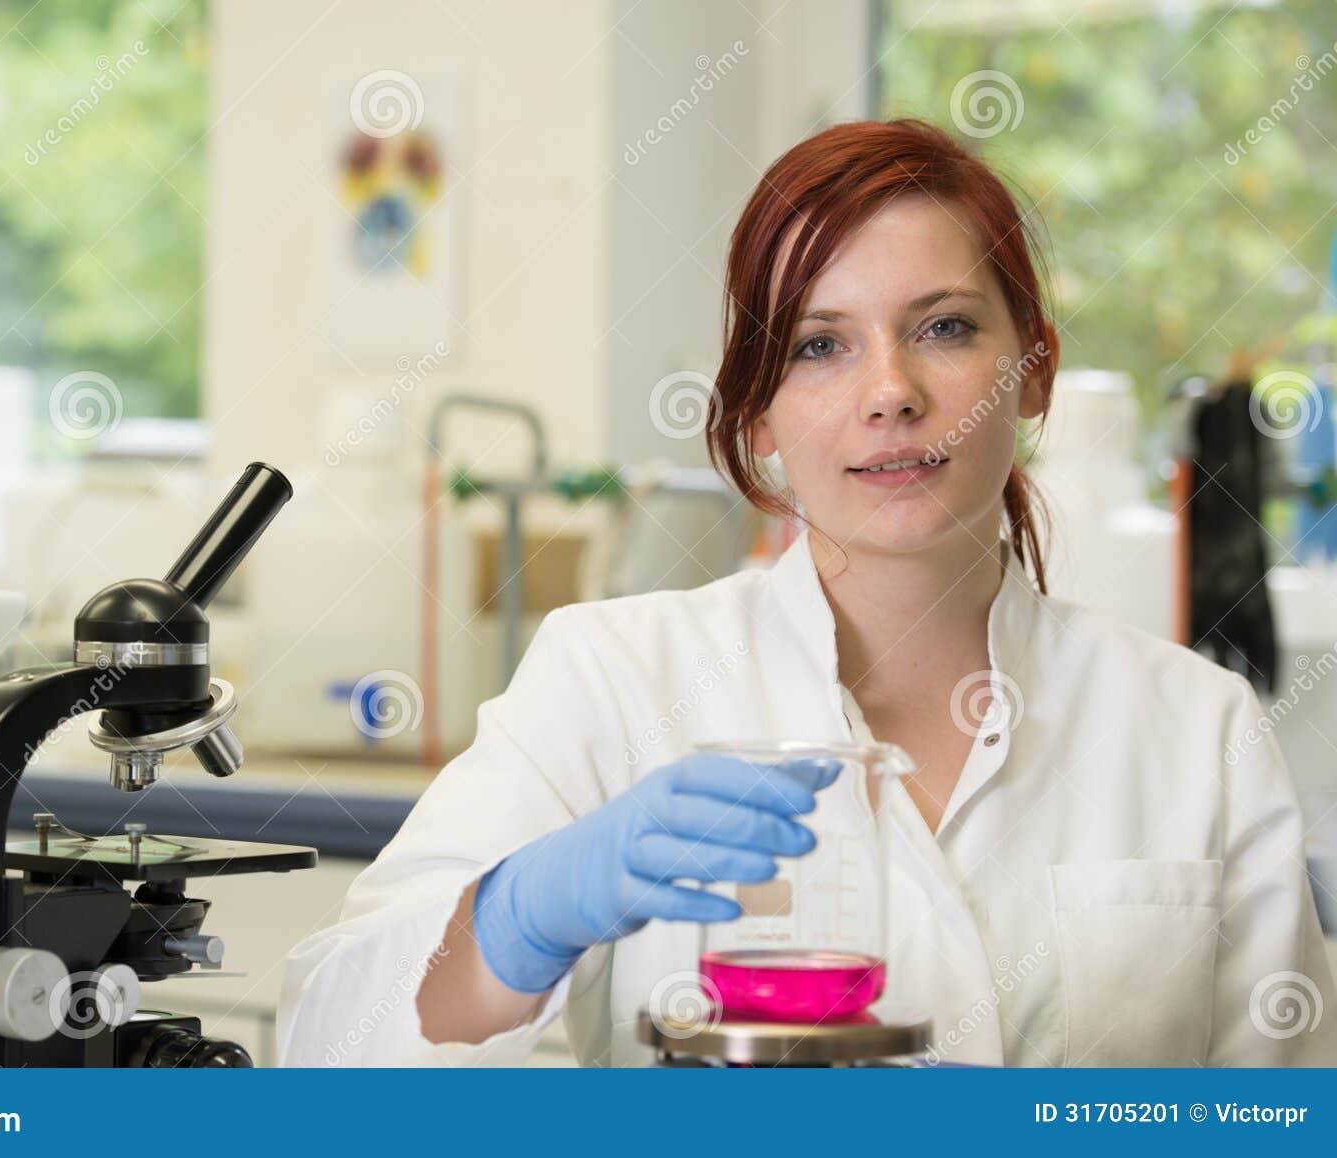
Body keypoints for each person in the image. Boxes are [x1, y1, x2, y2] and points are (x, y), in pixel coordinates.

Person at [276, 119, 1337, 1067]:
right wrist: (520, 917)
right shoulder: (609, 679)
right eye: (819, 346)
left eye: (945, 328)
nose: (891, 393)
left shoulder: (1194, 729)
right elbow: (329, 1049)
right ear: (757, 418)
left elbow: (1286, 1116)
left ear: (1036, 372)